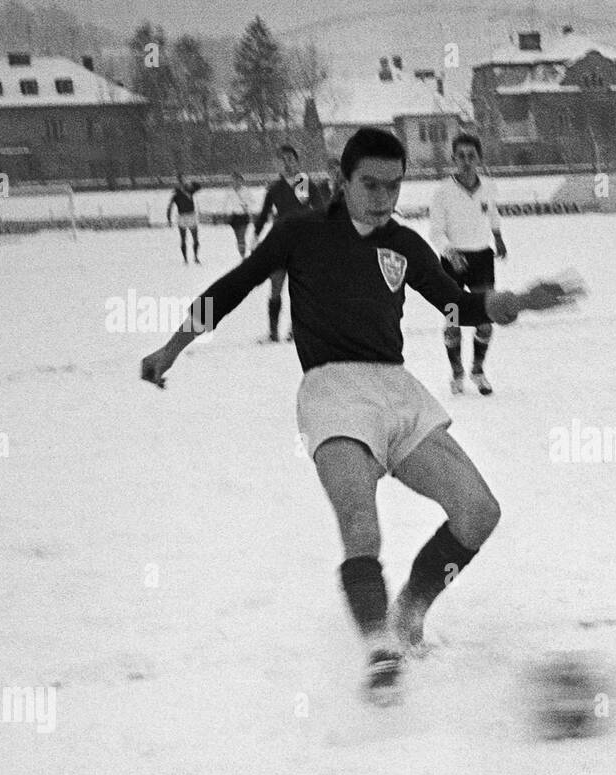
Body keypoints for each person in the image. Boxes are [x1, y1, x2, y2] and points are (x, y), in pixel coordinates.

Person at [139, 127, 584, 700]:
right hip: (331, 392)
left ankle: (409, 613)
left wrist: (515, 301)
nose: (383, 198)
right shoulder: (300, 234)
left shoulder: (403, 244)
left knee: (478, 511)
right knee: (361, 528)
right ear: (341, 180)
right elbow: (229, 289)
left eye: (393, 186)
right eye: (370, 185)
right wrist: (171, 347)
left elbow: (460, 303)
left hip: (397, 391)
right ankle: (379, 647)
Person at [428, 133, 507, 396]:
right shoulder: (442, 192)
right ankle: (457, 372)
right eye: (460, 156)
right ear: (453, 158)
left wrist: (498, 238)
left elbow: (492, 213)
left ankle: (478, 369)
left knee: (485, 320)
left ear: (479, 158)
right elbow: (436, 232)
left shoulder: (488, 187)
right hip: (451, 264)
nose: (466, 161)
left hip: (482, 260)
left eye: (471, 155)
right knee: (452, 319)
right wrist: (450, 253)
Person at [254, 144, 316, 342]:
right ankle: (273, 332)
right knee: (276, 286)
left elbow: (320, 208)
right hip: (280, 242)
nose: (288, 163)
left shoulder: (303, 183)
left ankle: (295, 330)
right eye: (284, 160)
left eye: (291, 159)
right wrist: (255, 235)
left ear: (297, 161)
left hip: (302, 243)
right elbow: (264, 214)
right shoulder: (275, 188)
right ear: (278, 164)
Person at [167, 174, 202, 264]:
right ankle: (187, 259)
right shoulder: (177, 192)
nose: (182, 182)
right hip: (183, 216)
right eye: (181, 181)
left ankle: (194, 257)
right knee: (184, 238)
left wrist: (190, 183)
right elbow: (170, 207)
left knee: (194, 238)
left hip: (190, 215)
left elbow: (199, 186)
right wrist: (169, 219)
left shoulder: (189, 190)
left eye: (183, 180)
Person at [223, 172, 253, 258]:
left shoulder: (246, 190)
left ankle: (243, 256)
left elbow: (252, 201)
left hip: (243, 216)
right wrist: (226, 213)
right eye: (234, 180)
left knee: (241, 236)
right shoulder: (229, 191)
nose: (236, 182)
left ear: (241, 181)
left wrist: (246, 204)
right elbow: (226, 204)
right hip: (234, 217)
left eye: (238, 180)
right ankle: (242, 252)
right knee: (238, 237)